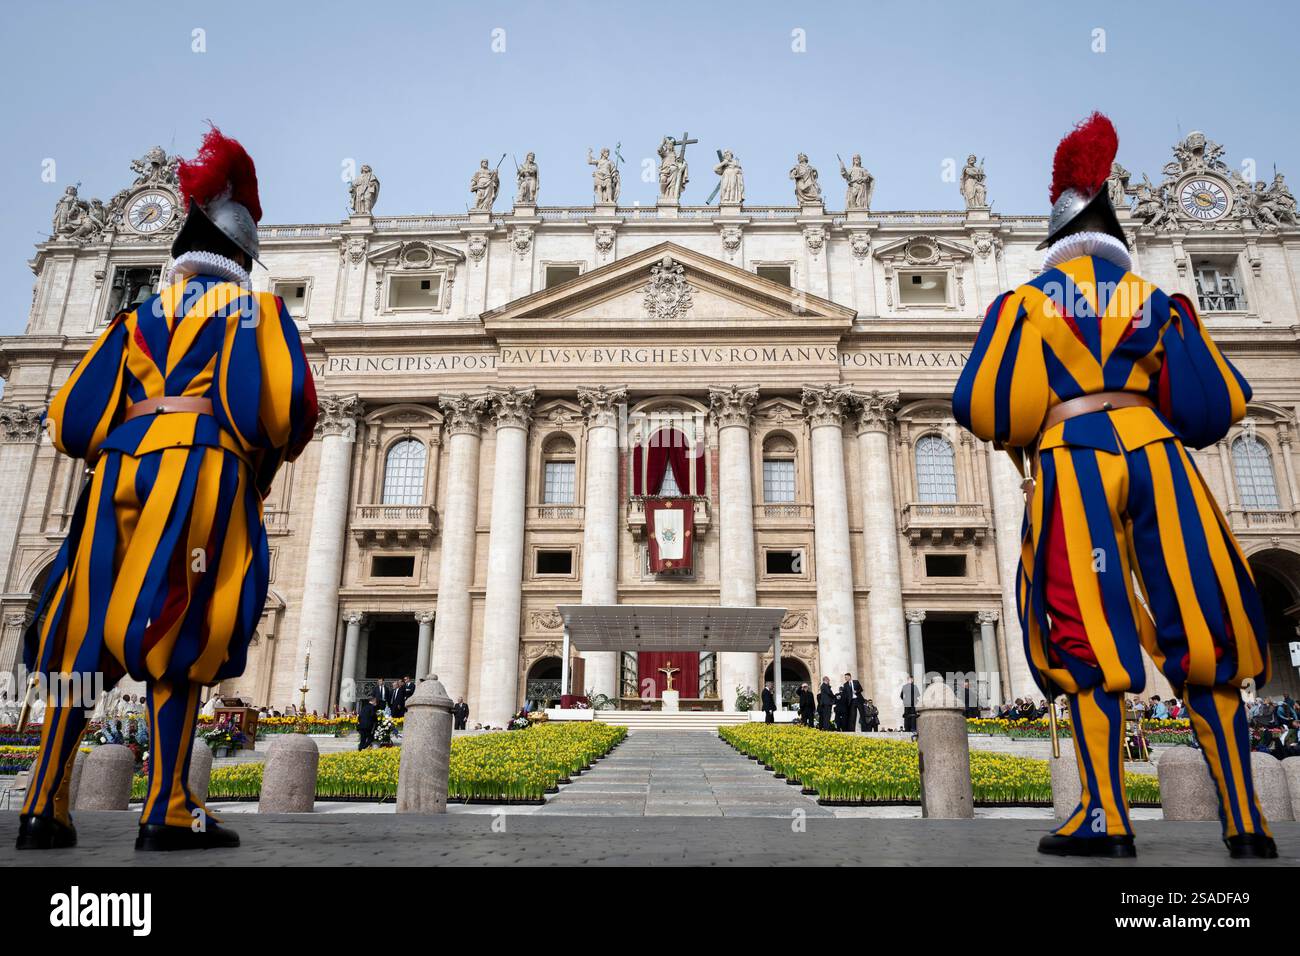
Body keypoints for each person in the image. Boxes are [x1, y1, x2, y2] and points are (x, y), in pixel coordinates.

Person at [954, 112, 1275, 860]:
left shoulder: (1027, 304)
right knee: (1201, 624)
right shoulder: (1161, 303)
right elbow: (1212, 407)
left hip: (1076, 461)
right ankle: (1246, 823)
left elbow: (988, 407)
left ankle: (1105, 819)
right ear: (1116, 243)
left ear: (1057, 244)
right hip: (1159, 459)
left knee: (1084, 625)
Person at [16, 127, 316, 853]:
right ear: (241, 260)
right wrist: (258, 464)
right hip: (204, 479)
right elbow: (283, 409)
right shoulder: (258, 313)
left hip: (115, 480)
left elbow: (73, 420)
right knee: (185, 628)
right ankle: (169, 810)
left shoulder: (131, 321)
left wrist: (130, 441)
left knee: (82, 635)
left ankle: (43, 806)